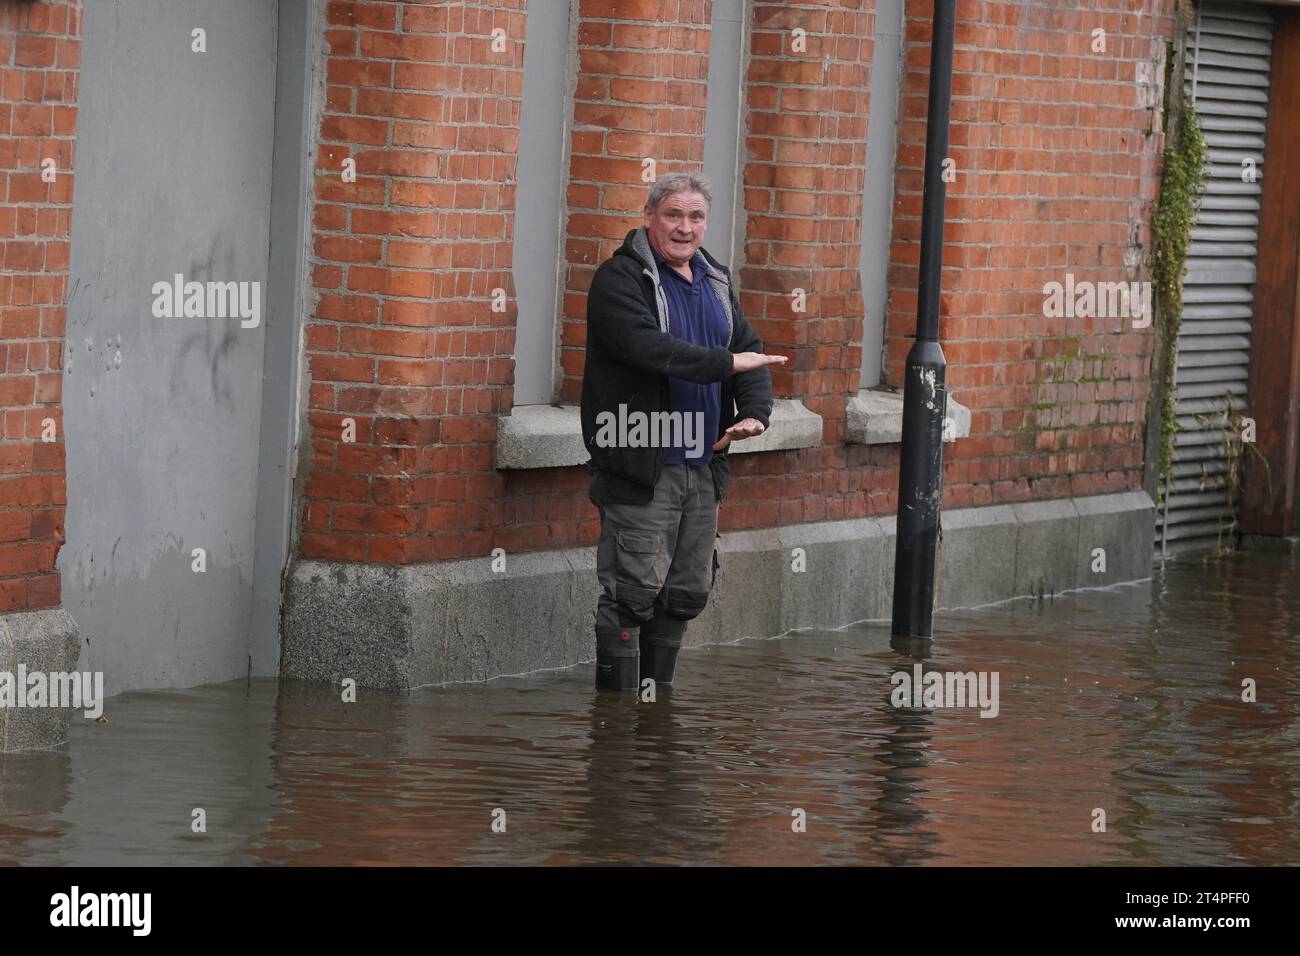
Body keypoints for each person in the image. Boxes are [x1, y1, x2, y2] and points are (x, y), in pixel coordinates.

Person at [580, 173, 788, 692]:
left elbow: (751, 352)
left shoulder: (715, 280)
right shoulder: (620, 280)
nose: (685, 227)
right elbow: (650, 349)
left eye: (696, 217)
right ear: (649, 217)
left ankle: (656, 712)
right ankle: (617, 722)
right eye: (673, 214)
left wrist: (755, 413)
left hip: (704, 460)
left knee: (686, 594)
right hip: (642, 458)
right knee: (632, 592)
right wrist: (727, 362)